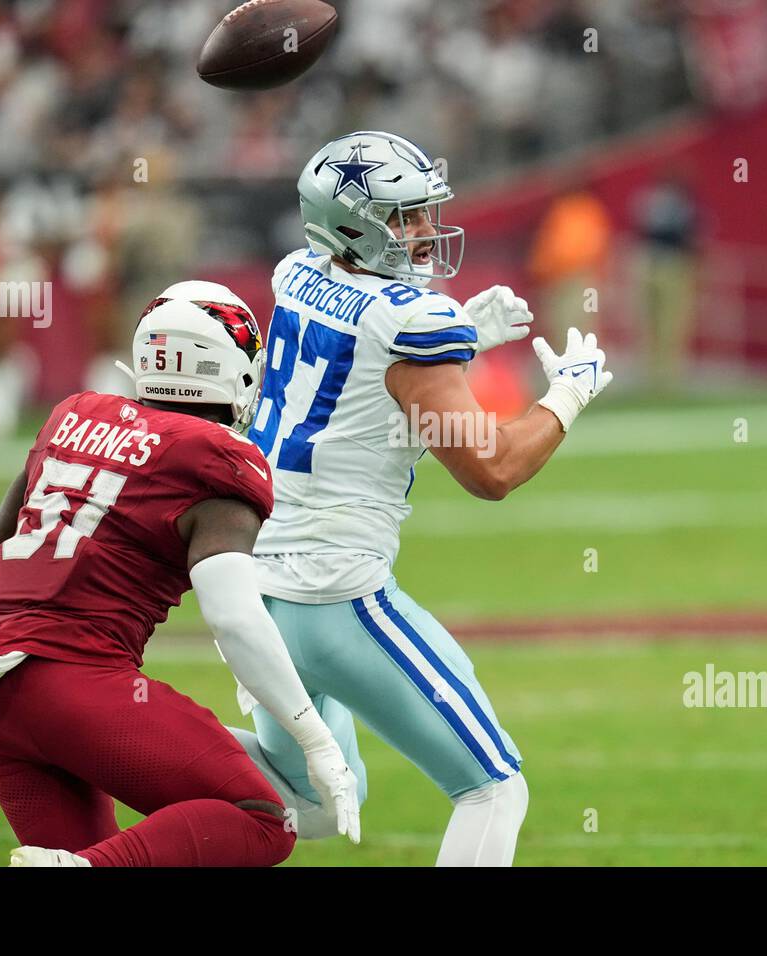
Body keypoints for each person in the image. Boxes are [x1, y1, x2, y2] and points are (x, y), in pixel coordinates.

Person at [0, 281, 360, 867]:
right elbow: (232, 617)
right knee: (264, 819)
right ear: (235, 370)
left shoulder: (74, 417)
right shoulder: (217, 457)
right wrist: (315, 738)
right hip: (78, 689)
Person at [235, 131, 614, 866]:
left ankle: (103, 748)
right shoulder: (415, 323)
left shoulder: (294, 274)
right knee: (493, 788)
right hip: (335, 593)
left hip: (257, 589)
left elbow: (354, 365)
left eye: (421, 214)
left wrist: (467, 330)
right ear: (352, 225)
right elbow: (491, 470)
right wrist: (568, 392)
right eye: (403, 218)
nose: (423, 232)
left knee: (305, 803)